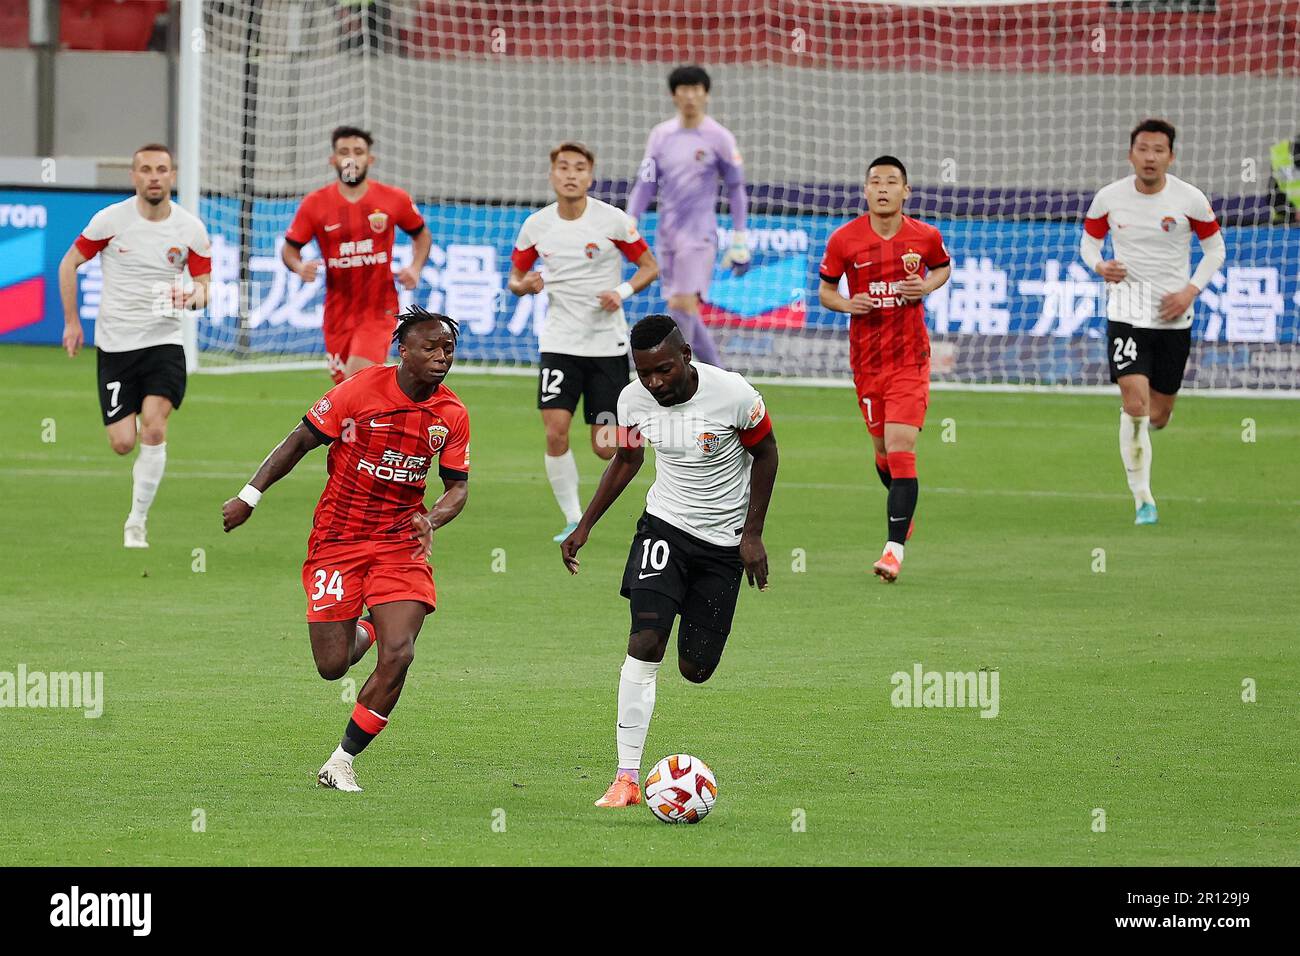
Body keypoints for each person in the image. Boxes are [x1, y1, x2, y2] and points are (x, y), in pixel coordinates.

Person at [221, 307, 469, 792]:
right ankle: (368, 626)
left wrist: (431, 517)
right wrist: (249, 496)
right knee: (333, 666)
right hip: (339, 538)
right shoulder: (359, 391)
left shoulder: (451, 414)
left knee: (401, 652)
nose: (442, 358)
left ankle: (341, 761)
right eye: (431, 348)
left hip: (401, 542)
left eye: (448, 350)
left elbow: (458, 487)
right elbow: (299, 442)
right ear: (404, 351)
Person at [560, 315, 778, 809]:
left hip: (723, 546)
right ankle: (626, 778)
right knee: (645, 640)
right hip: (664, 528)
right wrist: (585, 524)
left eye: (663, 370)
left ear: (685, 355)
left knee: (695, 668)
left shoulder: (735, 394)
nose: (654, 383)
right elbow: (627, 460)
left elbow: (766, 455)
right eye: (644, 372)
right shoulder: (633, 400)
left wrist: (752, 534)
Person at [58, 143, 212, 549]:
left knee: (155, 427)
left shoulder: (190, 230)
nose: (154, 176)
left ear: (172, 176)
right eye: (146, 169)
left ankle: (136, 521)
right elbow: (68, 263)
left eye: (162, 169)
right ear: (134, 176)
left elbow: (205, 290)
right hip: (115, 345)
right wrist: (72, 322)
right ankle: (141, 437)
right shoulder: (110, 220)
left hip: (163, 341)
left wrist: (192, 297)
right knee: (123, 443)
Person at [508, 141, 658, 542]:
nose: (570, 174)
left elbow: (649, 266)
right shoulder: (536, 226)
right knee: (555, 431)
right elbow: (514, 279)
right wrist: (527, 285)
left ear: (590, 176)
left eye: (579, 168)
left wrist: (621, 292)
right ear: (552, 174)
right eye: (563, 167)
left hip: (606, 346)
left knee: (607, 446)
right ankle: (574, 517)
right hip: (559, 343)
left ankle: (657, 443)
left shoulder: (612, 221)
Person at [1080, 118, 1226, 525]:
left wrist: (1189, 292)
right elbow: (1088, 242)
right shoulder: (1109, 198)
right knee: (1135, 402)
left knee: (1157, 415)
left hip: (1172, 314)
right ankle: (1143, 498)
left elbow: (1215, 251)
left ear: (1170, 156)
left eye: (1158, 150)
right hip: (1126, 308)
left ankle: (1142, 420)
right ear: (1131, 154)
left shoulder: (1190, 199)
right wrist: (1099, 265)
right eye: (1142, 149)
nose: (1149, 157)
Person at [817, 155, 951, 582]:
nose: (882, 188)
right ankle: (902, 509)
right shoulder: (844, 240)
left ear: (905, 191)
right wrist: (847, 303)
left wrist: (925, 285)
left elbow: (943, 267)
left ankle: (893, 551)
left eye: (892, 181)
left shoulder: (925, 237)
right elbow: (825, 291)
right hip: (867, 362)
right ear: (865, 190)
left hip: (910, 360)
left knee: (900, 448)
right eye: (875, 181)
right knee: (881, 452)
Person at [283, 125, 431, 383]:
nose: (351, 158)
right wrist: (298, 266)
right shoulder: (315, 204)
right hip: (337, 313)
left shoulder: (393, 198)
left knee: (357, 380)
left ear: (369, 159)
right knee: (345, 391)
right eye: (344, 151)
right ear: (333, 160)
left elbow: (421, 234)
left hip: (379, 309)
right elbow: (290, 249)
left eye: (358, 151)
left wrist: (415, 267)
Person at [625, 64, 750, 368]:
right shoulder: (661, 135)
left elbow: (736, 188)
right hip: (667, 235)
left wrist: (740, 236)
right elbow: (646, 182)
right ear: (674, 95)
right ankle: (720, 377)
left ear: (706, 95)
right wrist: (630, 219)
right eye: (684, 90)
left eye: (697, 89)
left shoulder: (719, 137)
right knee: (684, 308)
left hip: (700, 235)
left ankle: (684, 380)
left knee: (681, 303)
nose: (690, 96)